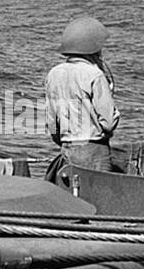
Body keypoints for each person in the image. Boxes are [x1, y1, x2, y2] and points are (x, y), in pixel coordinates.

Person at [45, 14, 119, 171]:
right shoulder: (95, 74)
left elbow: (51, 122)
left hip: (67, 148)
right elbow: (108, 123)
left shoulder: (54, 74)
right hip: (94, 149)